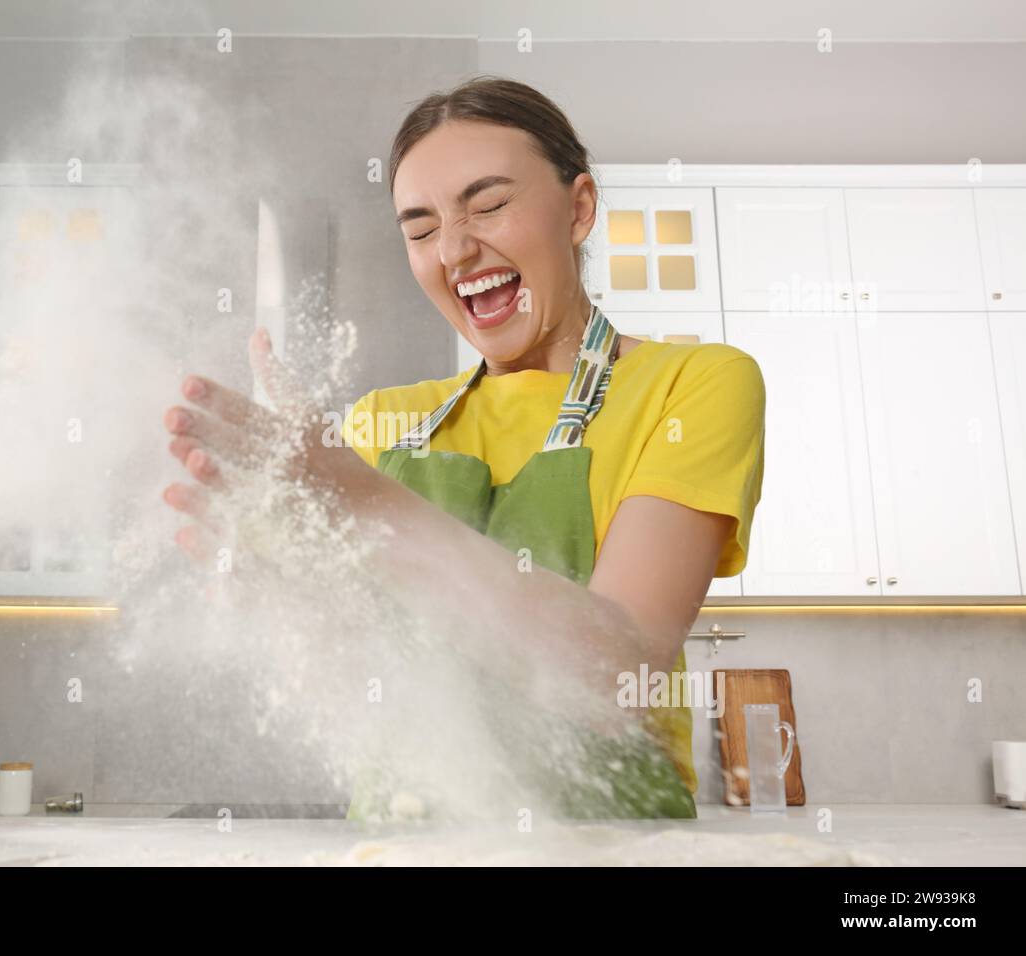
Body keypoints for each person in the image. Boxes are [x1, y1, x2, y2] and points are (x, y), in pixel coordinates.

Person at [162, 76, 765, 819]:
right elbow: (373, 675)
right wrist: (279, 592)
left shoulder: (691, 385)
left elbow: (617, 675)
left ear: (579, 209)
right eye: (419, 229)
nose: (454, 248)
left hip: (612, 847)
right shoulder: (383, 422)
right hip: (403, 838)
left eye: (489, 206)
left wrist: (357, 501)